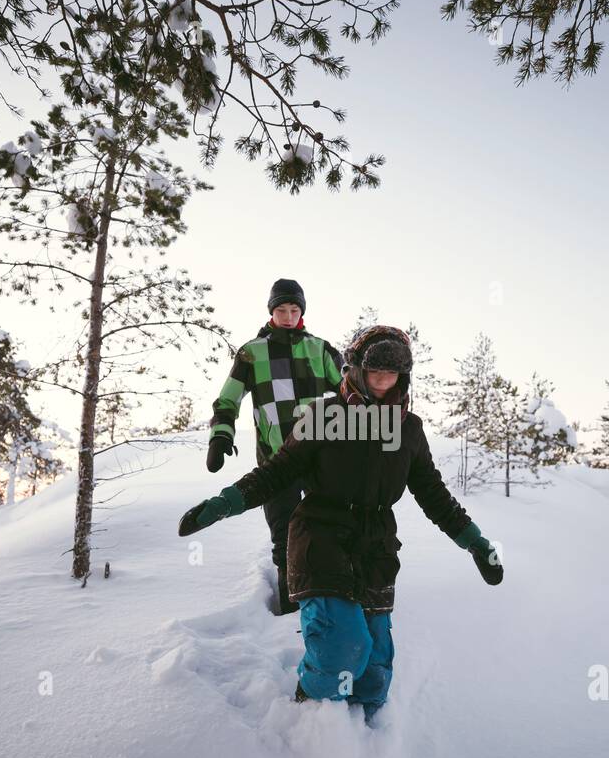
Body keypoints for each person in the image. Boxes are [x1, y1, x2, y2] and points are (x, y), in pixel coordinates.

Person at [180, 325, 503, 726]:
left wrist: (475, 542)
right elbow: (277, 472)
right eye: (375, 371)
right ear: (356, 369)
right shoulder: (325, 415)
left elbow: (434, 495)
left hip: (376, 546)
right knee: (343, 650)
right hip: (321, 534)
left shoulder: (408, 429)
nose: (384, 381)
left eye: (393, 374)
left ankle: (362, 748)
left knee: (374, 673)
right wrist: (223, 503)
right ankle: (305, 712)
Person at [205, 278, 344, 615]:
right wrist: (221, 435)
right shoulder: (253, 352)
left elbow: (350, 394)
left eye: (294, 309)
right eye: (281, 309)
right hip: (277, 459)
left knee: (324, 530)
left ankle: (326, 603)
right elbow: (228, 398)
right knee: (283, 535)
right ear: (271, 311)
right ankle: (288, 609)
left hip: (318, 457)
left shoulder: (321, 349)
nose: (287, 315)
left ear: (302, 312)